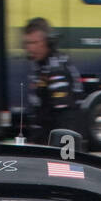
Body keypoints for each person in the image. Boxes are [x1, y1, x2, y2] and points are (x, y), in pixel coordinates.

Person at [23, 18, 84, 147]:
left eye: (34, 42)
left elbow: (65, 118)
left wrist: (62, 152)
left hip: (62, 145)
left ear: (48, 42)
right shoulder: (40, 67)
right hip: (46, 142)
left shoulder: (57, 69)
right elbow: (39, 112)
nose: (30, 48)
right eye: (27, 43)